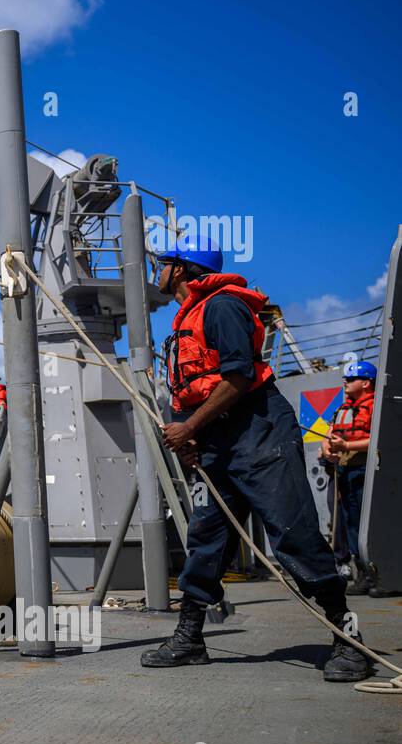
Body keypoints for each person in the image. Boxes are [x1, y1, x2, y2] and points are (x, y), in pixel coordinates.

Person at [143, 238, 371, 682]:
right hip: (219, 439)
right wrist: (192, 436)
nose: (158, 270)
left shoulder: (222, 307)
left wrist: (190, 428)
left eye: (163, 263)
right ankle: (190, 638)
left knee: (293, 533)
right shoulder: (186, 317)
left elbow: (239, 375)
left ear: (183, 269)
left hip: (259, 433)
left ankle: (349, 640)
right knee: (205, 537)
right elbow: (196, 386)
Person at [322, 361, 394, 597]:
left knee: (376, 521)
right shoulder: (342, 409)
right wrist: (328, 450)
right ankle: (363, 574)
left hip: (368, 471)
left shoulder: (378, 407)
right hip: (346, 472)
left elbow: (380, 438)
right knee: (351, 523)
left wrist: (347, 445)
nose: (346, 382)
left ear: (366, 382)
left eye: (351, 379)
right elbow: (328, 434)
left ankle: (386, 574)